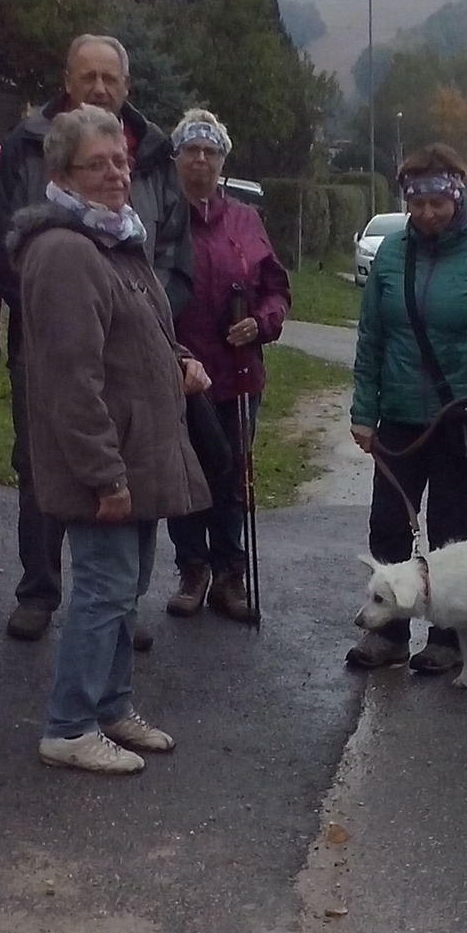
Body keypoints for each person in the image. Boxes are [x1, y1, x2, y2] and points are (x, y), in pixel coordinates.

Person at [9, 105, 210, 774]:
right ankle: (68, 725)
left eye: (121, 160)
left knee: (124, 590)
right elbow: (71, 381)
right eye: (98, 164)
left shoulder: (114, 239)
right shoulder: (66, 252)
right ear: (62, 173)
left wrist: (179, 359)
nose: (117, 173)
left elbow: (142, 326)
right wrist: (105, 476)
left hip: (140, 449)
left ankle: (112, 707)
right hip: (107, 462)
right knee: (101, 589)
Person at [0, 34, 192, 644]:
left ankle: (120, 611)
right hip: (58, 334)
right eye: (88, 76)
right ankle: (40, 593)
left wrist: (155, 327)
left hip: (139, 339)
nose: (100, 87)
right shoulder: (25, 147)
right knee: (52, 464)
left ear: (126, 88)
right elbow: (3, 243)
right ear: (66, 80)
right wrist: (49, 306)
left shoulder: (152, 154)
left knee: (139, 479)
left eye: (111, 78)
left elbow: (175, 253)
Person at [346, 143, 467, 674]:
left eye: (436, 203)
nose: (426, 213)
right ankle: (392, 633)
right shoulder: (392, 256)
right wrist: (363, 409)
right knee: (389, 525)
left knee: (454, 532)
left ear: (456, 196)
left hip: (463, 421)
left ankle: (449, 636)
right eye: (416, 203)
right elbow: (372, 337)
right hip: (399, 417)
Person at [163, 109, 291, 623]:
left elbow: (276, 289)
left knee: (233, 474)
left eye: (210, 152)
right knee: (186, 474)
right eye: (191, 151)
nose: (200, 160)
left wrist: (260, 323)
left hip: (238, 372)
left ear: (222, 161)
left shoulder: (245, 219)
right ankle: (192, 570)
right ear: (175, 159)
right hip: (181, 371)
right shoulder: (161, 219)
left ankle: (230, 574)